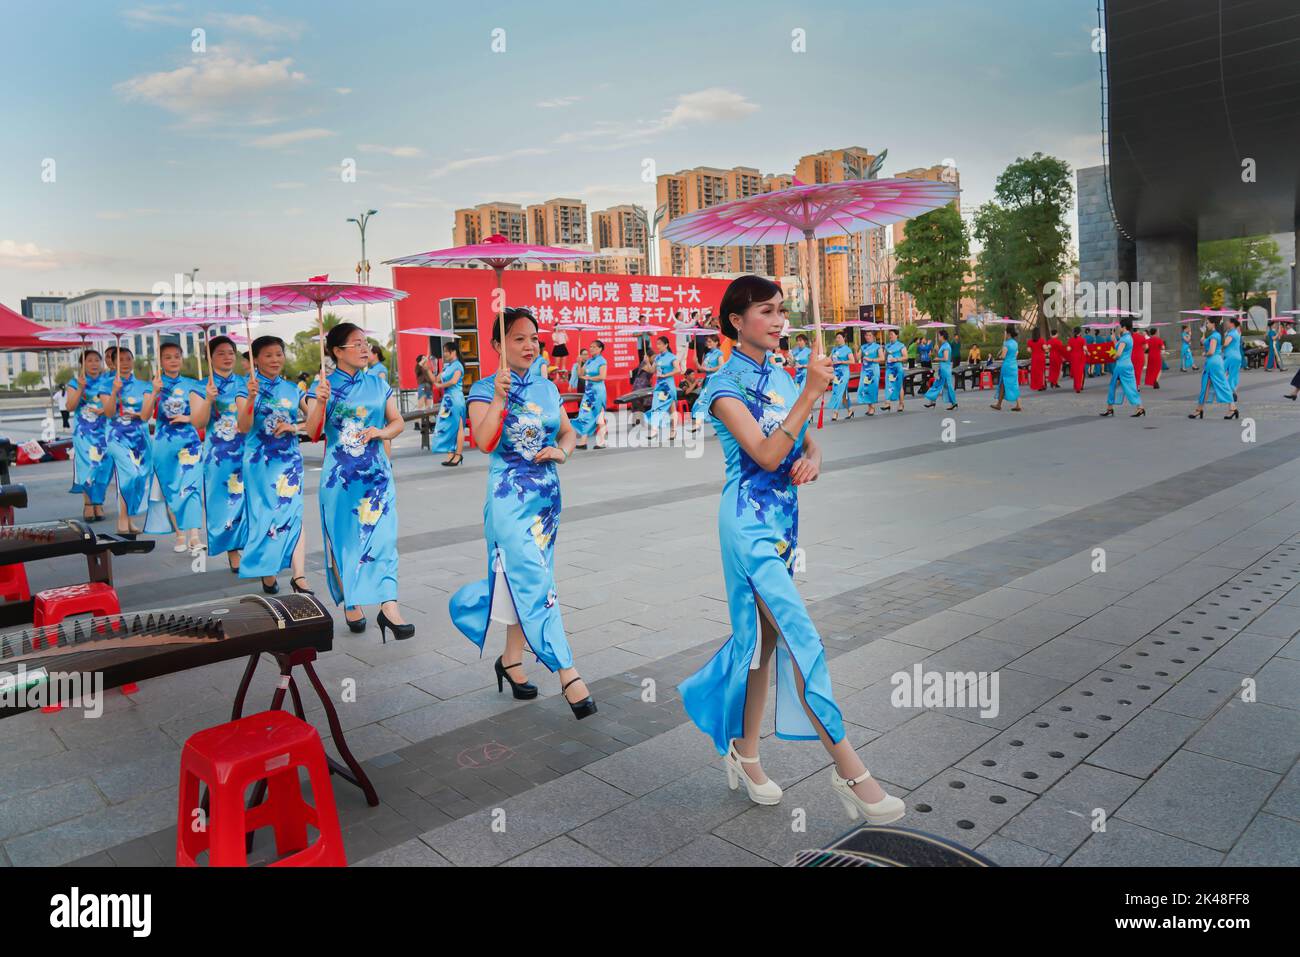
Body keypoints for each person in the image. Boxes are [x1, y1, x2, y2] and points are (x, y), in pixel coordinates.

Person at [678, 275, 904, 823]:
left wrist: (816, 455)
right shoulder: (722, 386)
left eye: (782, 310)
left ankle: (744, 751)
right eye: (766, 311)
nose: (779, 321)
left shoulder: (779, 375)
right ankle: (851, 772)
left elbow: (802, 441)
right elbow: (760, 452)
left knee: (763, 642)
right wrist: (807, 394)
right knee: (801, 634)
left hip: (782, 525)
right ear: (736, 321)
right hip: (747, 528)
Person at [448, 307, 595, 719]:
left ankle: (511, 660)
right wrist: (498, 397)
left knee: (531, 579)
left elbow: (567, 431)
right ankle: (568, 672)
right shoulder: (481, 389)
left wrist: (561, 452)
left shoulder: (547, 387)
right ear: (497, 346)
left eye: (534, 337)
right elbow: (482, 441)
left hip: (546, 500)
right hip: (509, 499)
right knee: (532, 578)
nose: (530, 345)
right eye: (518, 338)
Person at [305, 323, 413, 641]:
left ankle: (389, 606)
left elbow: (397, 422)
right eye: (357, 344)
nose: (365, 348)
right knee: (345, 543)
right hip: (340, 479)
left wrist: (381, 432)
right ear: (337, 351)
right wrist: (321, 403)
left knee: (384, 539)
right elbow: (312, 432)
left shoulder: (379, 385)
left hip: (376, 476)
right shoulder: (322, 386)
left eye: (366, 342)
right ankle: (352, 601)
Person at [237, 336, 310, 595]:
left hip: (289, 462)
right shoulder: (244, 389)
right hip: (259, 463)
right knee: (265, 517)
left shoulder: (293, 389)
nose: (276, 359)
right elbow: (243, 427)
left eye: (279, 354)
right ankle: (268, 574)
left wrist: (295, 425)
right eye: (268, 355)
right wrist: (249, 399)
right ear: (255, 359)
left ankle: (299, 575)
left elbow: (315, 423)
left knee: (294, 513)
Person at [144, 341, 208, 553]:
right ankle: (180, 534)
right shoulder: (153, 385)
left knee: (191, 486)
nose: (173, 360)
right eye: (168, 357)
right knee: (171, 489)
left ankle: (194, 536)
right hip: (164, 444)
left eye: (177, 356)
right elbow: (144, 417)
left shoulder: (192, 385)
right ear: (160, 361)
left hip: (188, 443)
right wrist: (154, 392)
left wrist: (187, 417)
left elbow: (200, 417)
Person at [193, 336, 247, 571]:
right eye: (221, 353)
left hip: (248, 452)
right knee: (226, 503)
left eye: (231, 352)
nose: (227, 357)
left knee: (250, 501)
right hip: (219, 455)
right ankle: (233, 551)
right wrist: (208, 400)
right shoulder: (200, 387)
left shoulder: (247, 383)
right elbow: (198, 421)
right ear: (210, 357)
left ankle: (252, 547)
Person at [103, 346, 153, 537]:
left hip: (140, 438)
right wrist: (115, 392)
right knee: (129, 475)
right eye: (120, 359)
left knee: (140, 477)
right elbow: (108, 413)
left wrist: (139, 413)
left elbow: (147, 416)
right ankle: (122, 519)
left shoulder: (145, 386)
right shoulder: (106, 385)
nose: (125, 363)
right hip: (117, 437)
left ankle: (128, 517)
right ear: (113, 363)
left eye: (128, 359)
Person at [66, 349, 113, 522]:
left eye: (96, 360)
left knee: (104, 467)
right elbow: (70, 406)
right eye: (89, 360)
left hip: (104, 431)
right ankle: (88, 504)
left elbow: (115, 405)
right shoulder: (75, 382)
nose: (94, 364)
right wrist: (80, 388)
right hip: (84, 432)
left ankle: (98, 501)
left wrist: (104, 409)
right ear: (82, 364)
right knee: (88, 466)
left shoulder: (108, 382)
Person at [1189, 318, 1238, 420]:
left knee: (1212, 385)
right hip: (1215, 362)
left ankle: (1200, 410)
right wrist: (1204, 342)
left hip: (1213, 362)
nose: (1206, 325)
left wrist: (1204, 353)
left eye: (1207, 323)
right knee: (1214, 385)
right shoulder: (1215, 335)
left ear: (1213, 324)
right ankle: (1200, 409)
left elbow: (1211, 351)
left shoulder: (1215, 336)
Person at [1100, 318, 1145, 418]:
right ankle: (1140, 408)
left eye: (1120, 326)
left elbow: (1119, 354)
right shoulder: (1128, 337)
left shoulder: (1124, 339)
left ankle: (1110, 409)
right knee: (1131, 387)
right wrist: (1114, 340)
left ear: (1124, 327)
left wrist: (1113, 356)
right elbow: (1121, 348)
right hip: (1127, 365)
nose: (1118, 328)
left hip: (1121, 366)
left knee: (1113, 386)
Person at [430, 340, 466, 467]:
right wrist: (427, 368)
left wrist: (441, 385)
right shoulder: (447, 366)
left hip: (455, 398)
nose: (444, 354)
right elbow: (435, 380)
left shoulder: (458, 366)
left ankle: (458, 454)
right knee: (448, 425)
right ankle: (451, 453)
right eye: (444, 351)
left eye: (446, 351)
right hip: (447, 400)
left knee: (459, 426)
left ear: (453, 351)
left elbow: (453, 381)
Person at [573, 339, 609, 450]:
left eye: (594, 347)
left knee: (599, 416)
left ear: (600, 349)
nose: (591, 348)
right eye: (590, 346)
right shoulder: (588, 361)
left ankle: (601, 442)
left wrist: (590, 378)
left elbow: (603, 377)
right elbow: (580, 374)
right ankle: (583, 442)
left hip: (598, 392)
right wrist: (579, 363)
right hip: (588, 393)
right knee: (585, 414)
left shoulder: (602, 361)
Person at [646, 335, 681, 440]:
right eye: (657, 344)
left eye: (660, 344)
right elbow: (652, 371)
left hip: (667, 386)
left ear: (666, 345)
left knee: (670, 409)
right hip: (659, 385)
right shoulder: (657, 357)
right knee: (657, 406)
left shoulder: (671, 357)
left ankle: (672, 431)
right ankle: (656, 430)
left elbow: (678, 370)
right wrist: (647, 362)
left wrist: (665, 375)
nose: (658, 346)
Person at [690, 335, 723, 432]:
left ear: (716, 342)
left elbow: (721, 366)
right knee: (703, 402)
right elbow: (702, 369)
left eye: (710, 341)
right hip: (707, 381)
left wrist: (709, 369)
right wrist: (696, 362)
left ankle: (700, 424)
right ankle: (698, 424)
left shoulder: (719, 353)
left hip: (715, 381)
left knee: (708, 402)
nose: (708, 343)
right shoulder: (707, 355)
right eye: (707, 342)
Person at [922, 329, 957, 410]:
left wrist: (937, 358)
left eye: (939, 336)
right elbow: (941, 357)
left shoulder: (946, 346)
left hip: (945, 369)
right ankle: (933, 401)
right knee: (937, 384)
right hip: (943, 369)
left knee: (947, 386)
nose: (938, 337)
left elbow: (945, 358)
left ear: (942, 336)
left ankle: (953, 402)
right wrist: (937, 351)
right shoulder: (943, 345)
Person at [990, 327, 1023, 411]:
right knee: (1014, 384)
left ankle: (998, 404)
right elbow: (1016, 354)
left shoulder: (1006, 344)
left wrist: (1000, 355)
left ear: (1008, 334)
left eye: (1005, 333)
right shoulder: (1015, 343)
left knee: (1003, 383)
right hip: (1014, 365)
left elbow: (1003, 357)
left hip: (1007, 366)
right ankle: (1017, 404)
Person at [827, 331, 854, 422]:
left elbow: (852, 361)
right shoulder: (834, 349)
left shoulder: (847, 349)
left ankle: (835, 413)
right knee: (843, 394)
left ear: (844, 338)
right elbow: (829, 360)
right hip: (836, 373)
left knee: (837, 391)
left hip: (844, 373)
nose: (837, 339)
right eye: (836, 338)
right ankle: (850, 410)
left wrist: (841, 362)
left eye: (839, 337)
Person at [855, 330, 883, 414]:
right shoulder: (863, 347)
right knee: (863, 388)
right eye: (866, 335)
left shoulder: (878, 346)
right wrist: (856, 350)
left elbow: (882, 359)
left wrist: (871, 359)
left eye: (870, 335)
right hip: (865, 370)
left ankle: (871, 408)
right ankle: (870, 407)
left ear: (873, 337)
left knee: (871, 388)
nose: (868, 337)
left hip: (873, 370)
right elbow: (857, 359)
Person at [882, 328, 907, 412]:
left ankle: (901, 403)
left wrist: (896, 359)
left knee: (899, 386)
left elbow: (905, 357)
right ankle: (887, 403)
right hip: (889, 369)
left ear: (897, 335)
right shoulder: (887, 345)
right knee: (888, 385)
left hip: (897, 368)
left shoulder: (901, 345)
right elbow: (884, 358)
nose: (890, 336)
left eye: (892, 334)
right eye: (889, 334)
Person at [1223, 315, 1243, 400]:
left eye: (1228, 322)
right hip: (1235, 357)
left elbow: (1226, 344)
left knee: (1225, 374)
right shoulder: (1234, 332)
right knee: (1232, 374)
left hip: (1231, 357)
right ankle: (1232, 392)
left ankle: (1231, 393)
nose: (1226, 323)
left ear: (1232, 324)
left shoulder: (1231, 333)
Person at [1067, 326, 1087, 393]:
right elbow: (1084, 348)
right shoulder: (1082, 339)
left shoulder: (1070, 340)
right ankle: (1079, 387)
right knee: (1080, 372)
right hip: (1080, 357)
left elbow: (1068, 349)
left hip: (1073, 358)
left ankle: (1076, 386)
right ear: (1080, 332)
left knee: (1075, 373)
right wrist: (1088, 352)